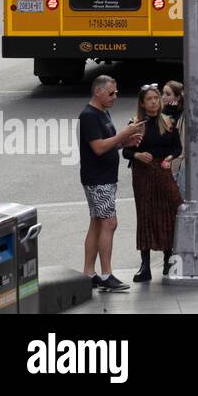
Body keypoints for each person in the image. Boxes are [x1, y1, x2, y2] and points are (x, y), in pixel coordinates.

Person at [79, 76, 144, 292]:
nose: (115, 97)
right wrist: (124, 134)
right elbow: (98, 147)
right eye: (111, 93)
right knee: (109, 223)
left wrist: (125, 141)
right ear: (98, 92)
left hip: (102, 177)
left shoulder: (102, 113)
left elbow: (106, 145)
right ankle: (106, 274)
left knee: (97, 223)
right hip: (98, 179)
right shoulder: (89, 116)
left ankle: (89, 272)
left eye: (115, 92)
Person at [121, 84, 182, 281]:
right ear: (142, 103)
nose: (154, 102)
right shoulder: (136, 124)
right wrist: (138, 155)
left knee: (170, 210)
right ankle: (144, 265)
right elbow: (126, 151)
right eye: (149, 99)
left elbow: (177, 148)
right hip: (143, 173)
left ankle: (168, 258)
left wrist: (169, 158)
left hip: (163, 171)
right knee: (145, 215)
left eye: (156, 98)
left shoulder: (168, 122)